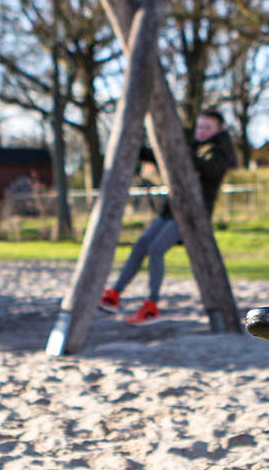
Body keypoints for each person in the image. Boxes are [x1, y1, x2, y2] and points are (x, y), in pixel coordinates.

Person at [98, 109, 237, 324]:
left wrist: (180, 153)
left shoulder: (219, 151)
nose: (201, 131)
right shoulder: (194, 146)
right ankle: (114, 294)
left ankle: (152, 305)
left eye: (207, 127)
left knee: (155, 250)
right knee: (141, 244)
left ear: (218, 130)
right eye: (199, 126)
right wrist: (138, 149)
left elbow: (209, 170)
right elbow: (166, 156)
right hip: (172, 209)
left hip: (192, 215)